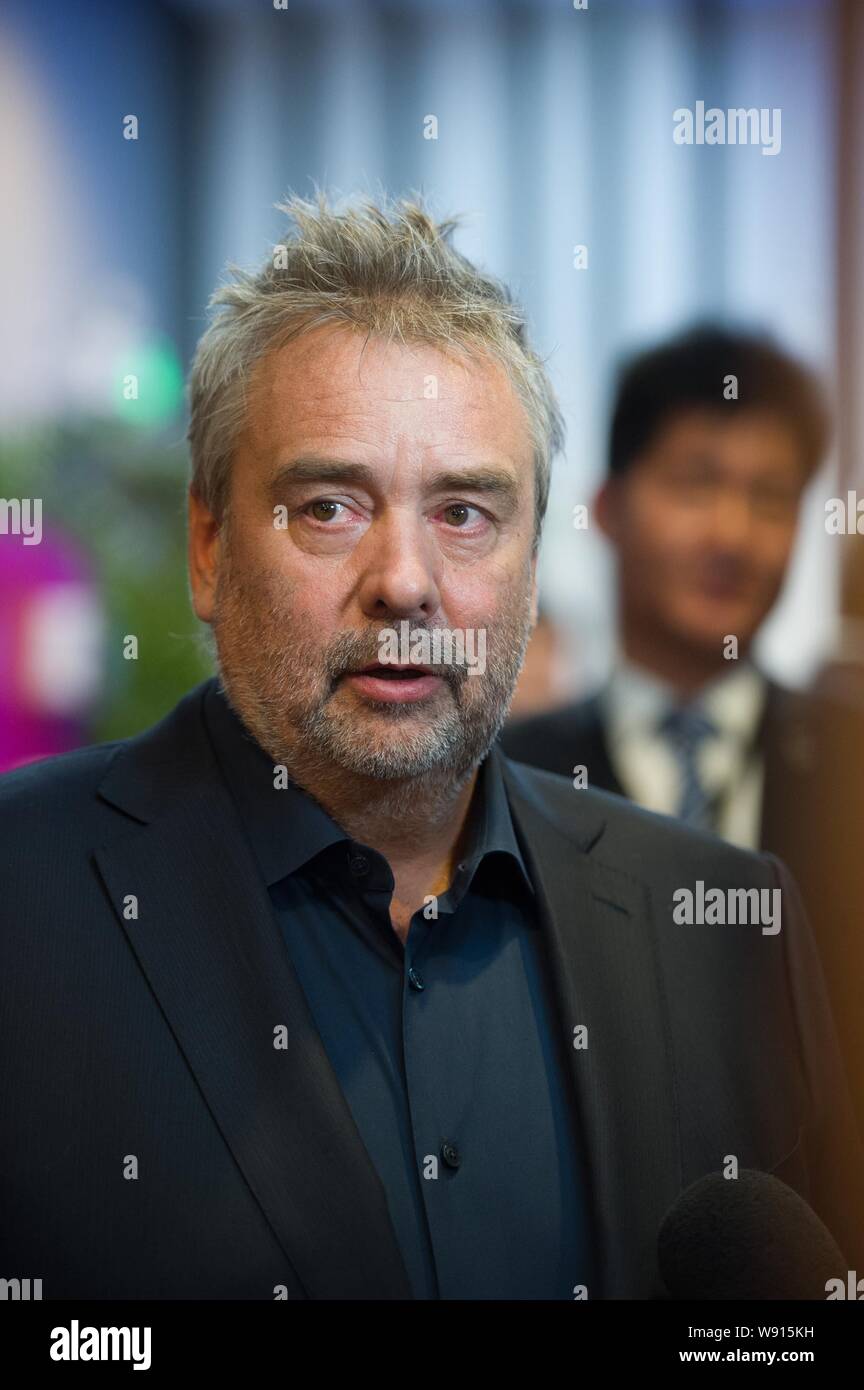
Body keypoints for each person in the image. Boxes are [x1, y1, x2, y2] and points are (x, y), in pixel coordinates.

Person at [1, 200, 861, 1300]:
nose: (405, 579)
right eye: (329, 506)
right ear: (207, 545)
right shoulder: (25, 898)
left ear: (534, 561)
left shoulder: (727, 925)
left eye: (464, 513)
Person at [502, 325, 829, 854]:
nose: (732, 535)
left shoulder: (847, 758)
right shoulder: (510, 774)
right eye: (695, 483)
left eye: (770, 496)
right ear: (608, 509)